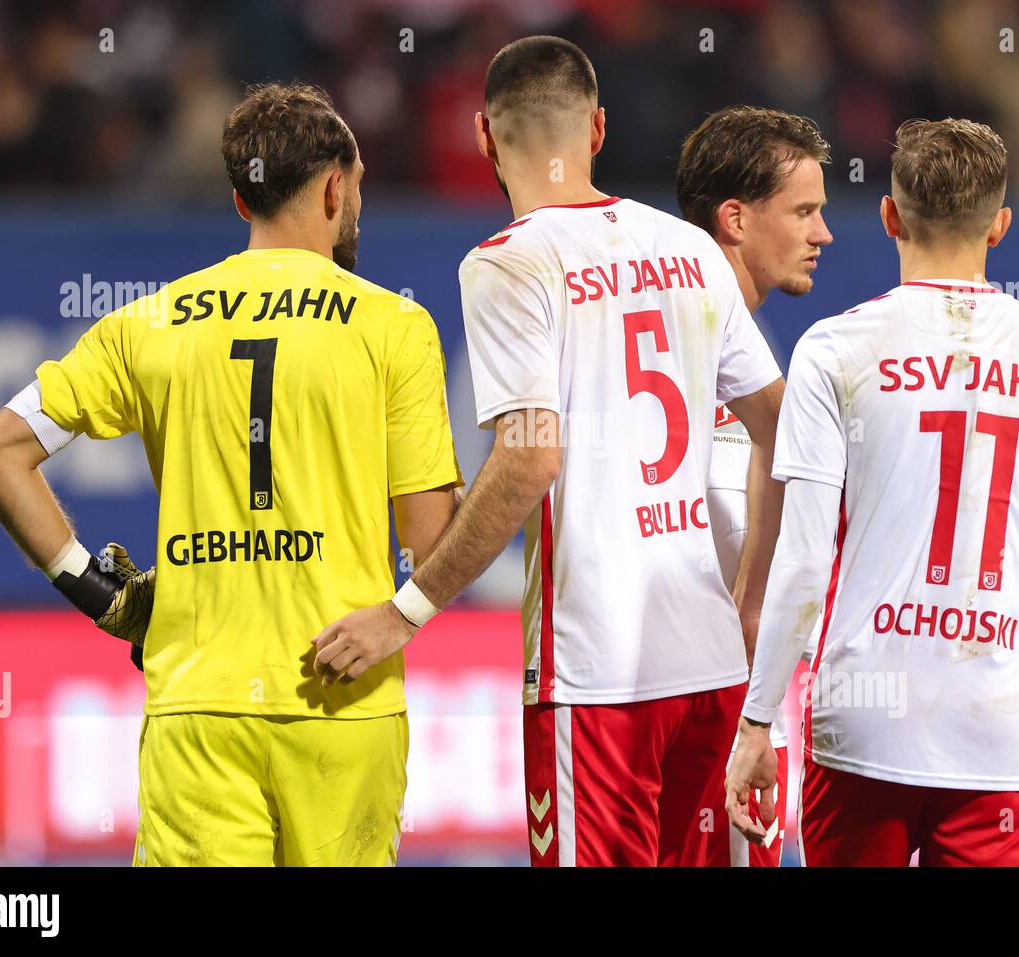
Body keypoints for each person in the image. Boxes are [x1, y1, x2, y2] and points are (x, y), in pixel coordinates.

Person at [314, 36, 784, 866]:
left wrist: (404, 611)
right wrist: (749, 600)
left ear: (483, 138)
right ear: (597, 129)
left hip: (596, 679)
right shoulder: (689, 249)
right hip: (710, 669)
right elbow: (778, 422)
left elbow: (532, 458)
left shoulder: (510, 262)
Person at [0, 82, 462, 866]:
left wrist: (97, 592)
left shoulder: (150, 322)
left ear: (241, 200)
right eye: (357, 186)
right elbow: (433, 542)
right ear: (335, 185)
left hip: (197, 710)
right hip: (344, 704)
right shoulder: (392, 327)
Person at [726, 118, 1019, 866]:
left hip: (865, 724)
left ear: (891, 216)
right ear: (1000, 226)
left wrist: (758, 720)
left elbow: (802, 561)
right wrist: (1010, 697)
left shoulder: (835, 350)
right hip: (1000, 731)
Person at [676, 104, 833, 865]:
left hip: (741, 701)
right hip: (696, 704)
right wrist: (749, 606)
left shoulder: (745, 359)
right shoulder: (682, 352)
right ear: (734, 220)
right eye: (803, 211)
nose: (822, 234)